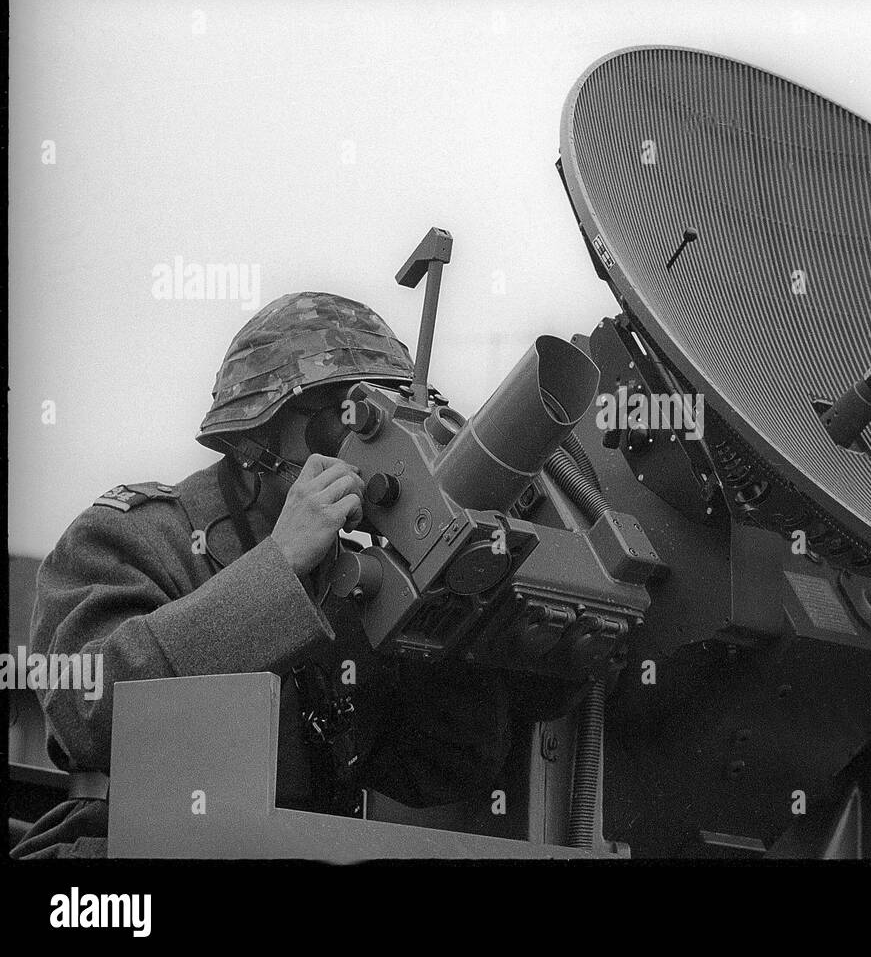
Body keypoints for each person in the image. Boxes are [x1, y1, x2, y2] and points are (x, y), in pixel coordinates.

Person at [12, 292, 512, 859]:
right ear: (255, 438)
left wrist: (465, 613)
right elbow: (85, 713)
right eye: (336, 420)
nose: (360, 448)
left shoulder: (356, 585)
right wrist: (278, 568)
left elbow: (440, 768)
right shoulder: (133, 537)